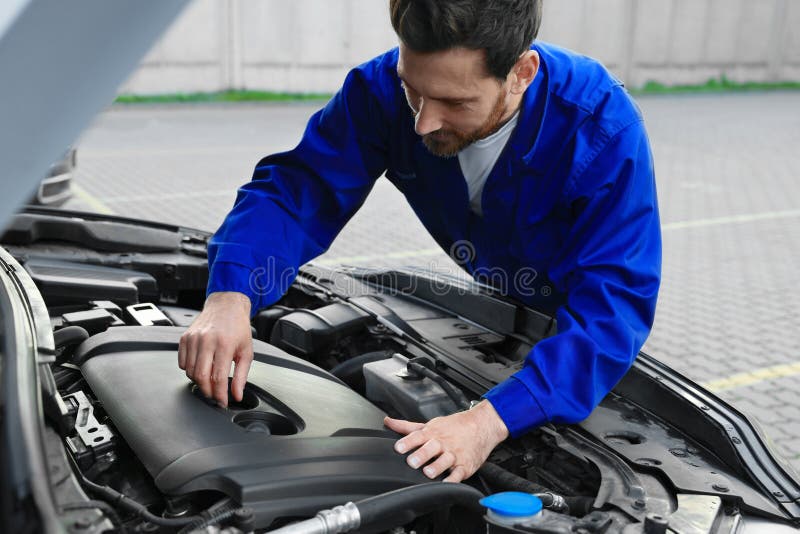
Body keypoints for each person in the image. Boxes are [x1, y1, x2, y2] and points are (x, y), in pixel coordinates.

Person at [177, 0, 661, 484]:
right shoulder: (380, 88)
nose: (422, 123)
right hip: (501, 302)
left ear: (521, 72)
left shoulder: (599, 129)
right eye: (414, 90)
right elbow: (296, 192)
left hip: (574, 336)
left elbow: (612, 306)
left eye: (454, 102)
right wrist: (229, 296)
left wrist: (488, 421)